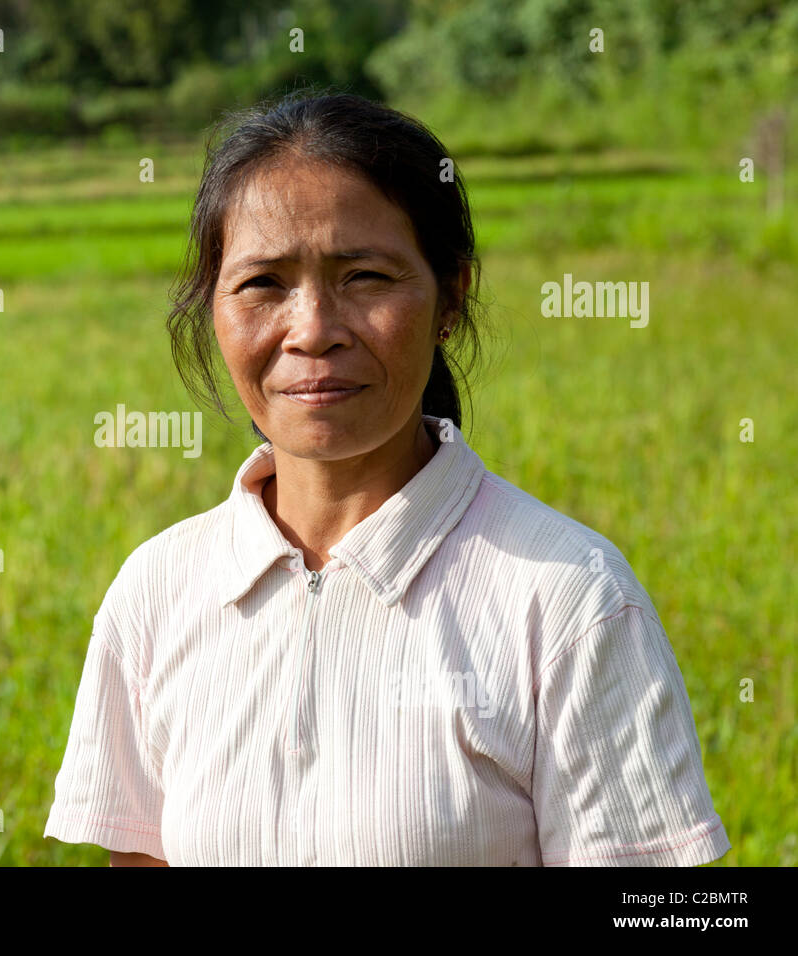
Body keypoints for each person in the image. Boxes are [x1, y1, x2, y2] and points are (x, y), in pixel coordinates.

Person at [42, 89, 730, 866]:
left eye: (366, 276)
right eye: (263, 283)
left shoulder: (569, 601)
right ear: (213, 308)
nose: (312, 332)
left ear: (451, 297)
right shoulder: (158, 593)